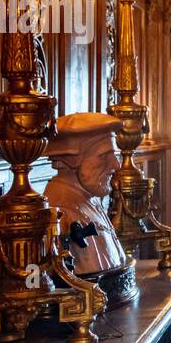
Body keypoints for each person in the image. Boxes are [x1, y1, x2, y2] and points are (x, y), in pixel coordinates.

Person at [44, 112, 129, 277]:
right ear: (71, 160)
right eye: (104, 156)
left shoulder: (89, 201)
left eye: (114, 155)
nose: (116, 165)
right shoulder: (61, 212)